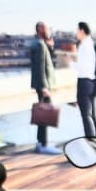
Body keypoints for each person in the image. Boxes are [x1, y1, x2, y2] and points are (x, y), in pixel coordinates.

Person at [73, 20, 96, 141]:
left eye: (77, 30)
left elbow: (82, 67)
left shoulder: (84, 46)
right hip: (93, 82)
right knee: (93, 115)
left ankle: (91, 143)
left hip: (84, 82)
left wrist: (70, 63)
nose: (76, 33)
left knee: (86, 115)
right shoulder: (92, 44)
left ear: (82, 31)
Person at [29, 21, 58, 155]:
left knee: (42, 113)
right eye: (47, 29)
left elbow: (47, 60)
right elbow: (40, 67)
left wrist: (50, 47)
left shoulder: (39, 43)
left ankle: (41, 143)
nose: (49, 31)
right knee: (44, 114)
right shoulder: (40, 45)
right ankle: (43, 145)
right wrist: (44, 87)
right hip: (43, 85)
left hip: (41, 84)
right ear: (41, 30)